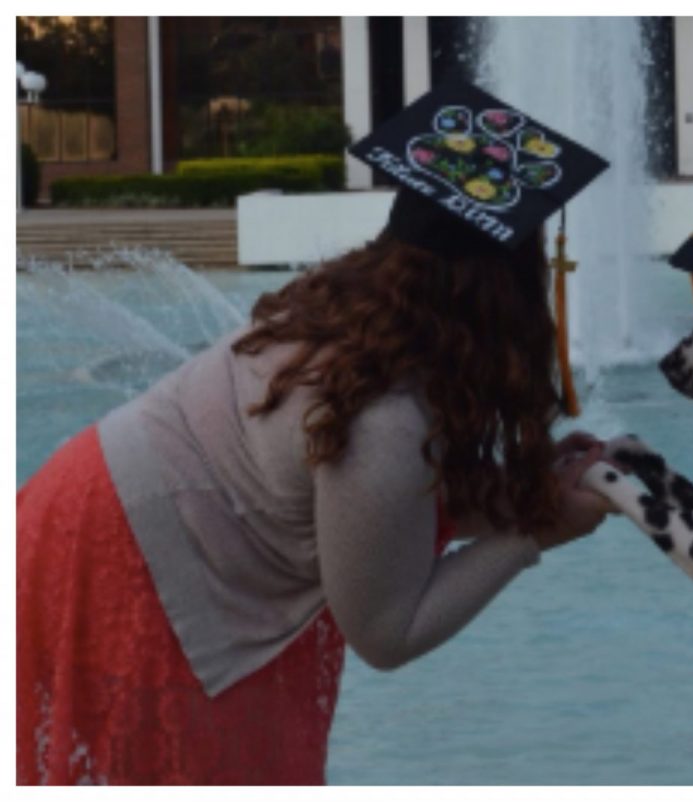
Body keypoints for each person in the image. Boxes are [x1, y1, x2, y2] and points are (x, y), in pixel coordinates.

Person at [17, 82, 616, 785]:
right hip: (125, 558)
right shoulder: (380, 417)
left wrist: (528, 493)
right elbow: (386, 631)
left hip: (84, 498)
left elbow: (387, 515)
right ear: (502, 284)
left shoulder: (353, 313)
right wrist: (530, 535)